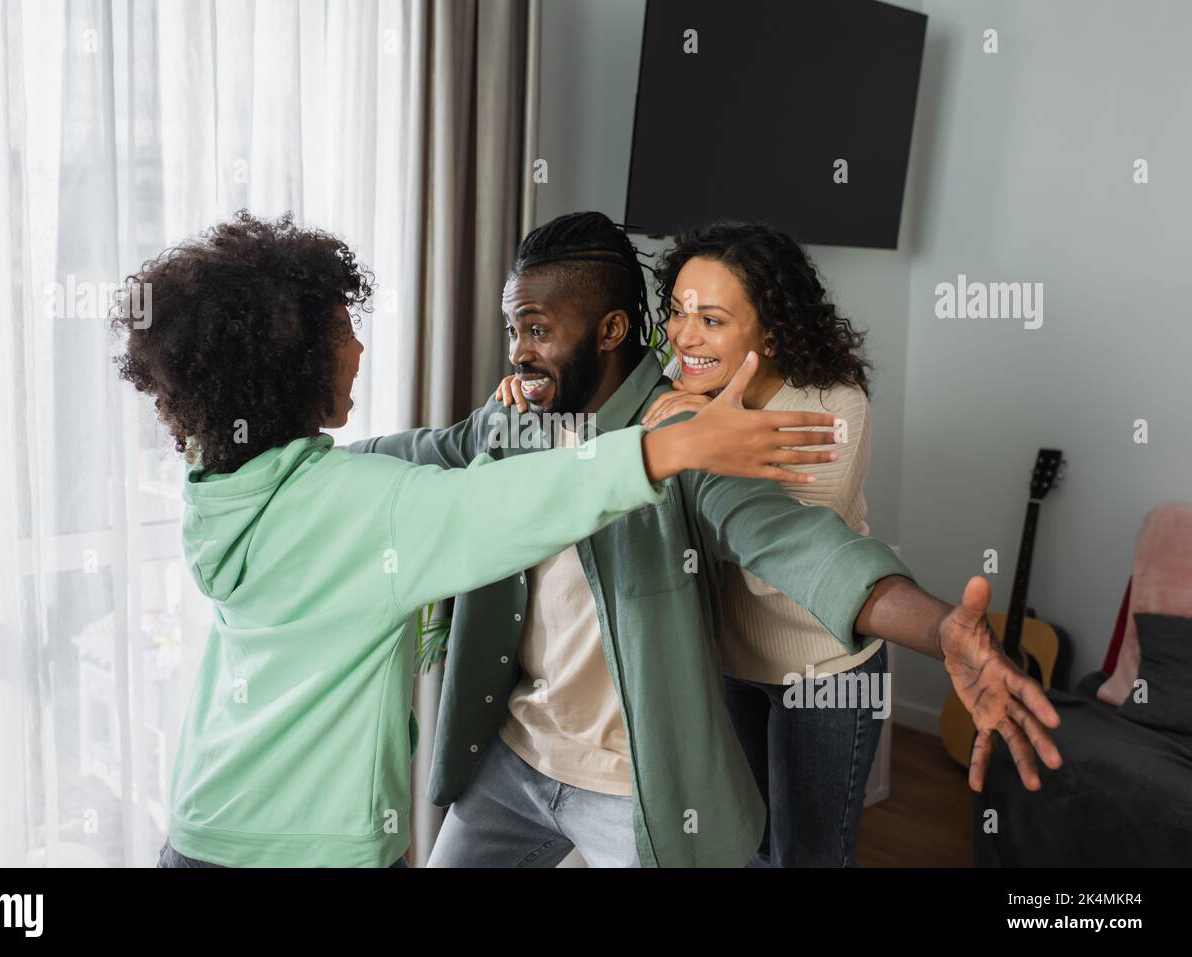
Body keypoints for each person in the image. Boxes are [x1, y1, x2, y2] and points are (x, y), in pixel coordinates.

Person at [110, 210, 845, 867]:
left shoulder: (225, 486)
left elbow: (430, 455)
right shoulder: (373, 505)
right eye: (343, 331)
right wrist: (665, 450)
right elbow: (515, 503)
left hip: (201, 823)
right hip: (316, 848)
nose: (361, 348)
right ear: (292, 362)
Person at [352, 210, 1061, 868]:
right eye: (514, 331)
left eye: (536, 330)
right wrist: (291, 459)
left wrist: (942, 628)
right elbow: (418, 452)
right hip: (515, 757)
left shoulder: (694, 439)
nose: (518, 354)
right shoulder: (517, 422)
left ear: (608, 331)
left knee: (806, 849)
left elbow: (797, 541)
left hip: (645, 773)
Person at [640, 219, 886, 866]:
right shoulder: (679, 381)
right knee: (742, 846)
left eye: (712, 321)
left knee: (809, 855)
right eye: (677, 312)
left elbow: (774, 551)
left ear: (772, 332)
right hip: (732, 656)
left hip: (824, 668)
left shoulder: (836, 404)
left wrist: (692, 431)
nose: (684, 336)